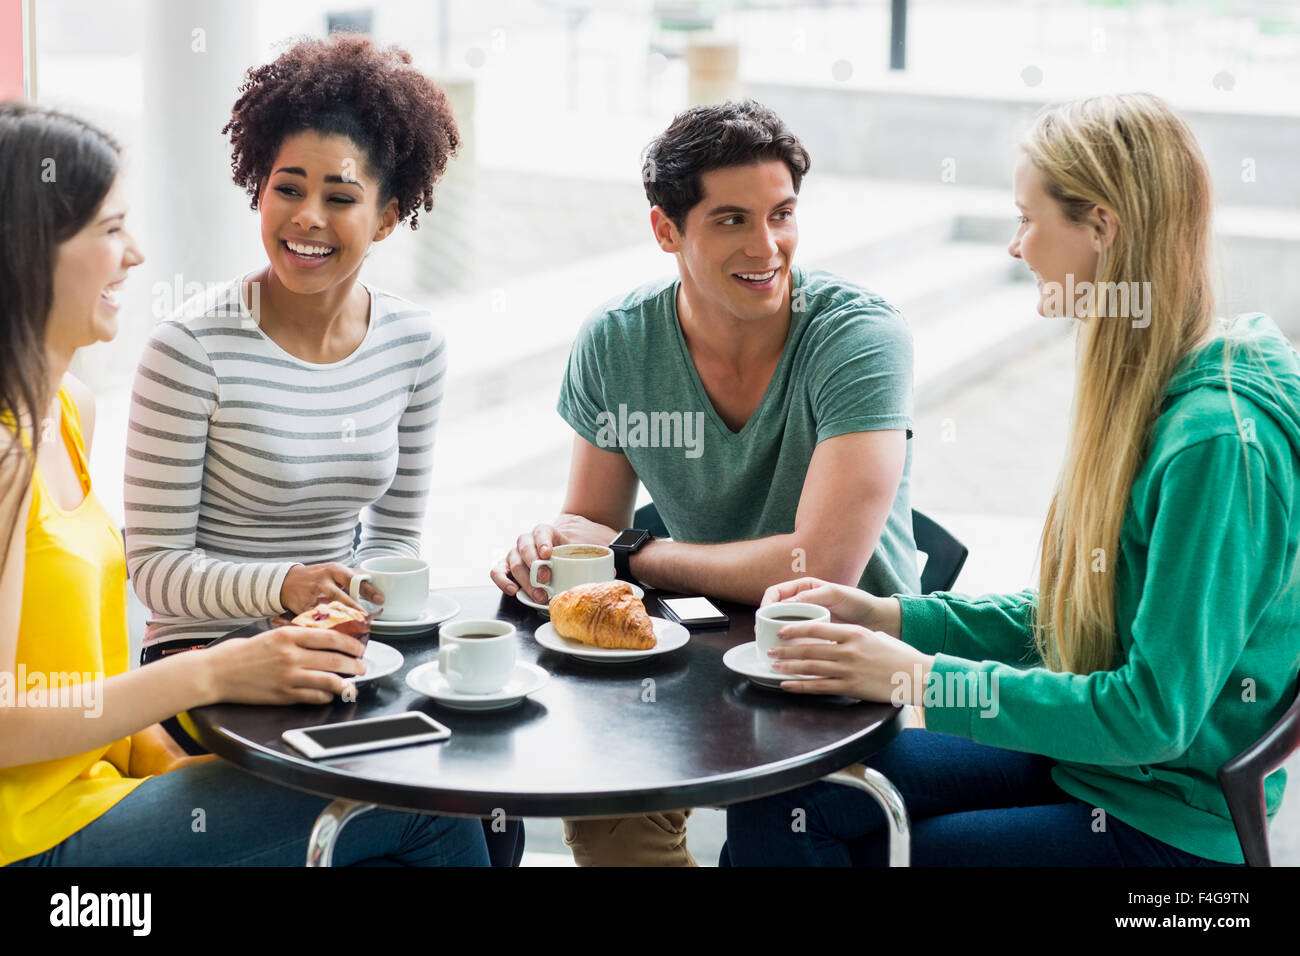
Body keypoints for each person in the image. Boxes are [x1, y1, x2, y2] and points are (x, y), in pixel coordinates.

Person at [723, 91, 1300, 866]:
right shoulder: (1150, 388)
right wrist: (890, 619)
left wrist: (921, 679)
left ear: (1102, 227)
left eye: (1028, 219)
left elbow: (1151, 716)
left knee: (887, 849)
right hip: (1096, 765)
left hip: (1167, 819)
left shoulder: (1217, 448)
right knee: (783, 791)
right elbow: (1077, 618)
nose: (1016, 247)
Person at [0, 101, 488, 867]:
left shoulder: (65, 411)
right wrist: (214, 669)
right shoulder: (7, 455)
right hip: (28, 839)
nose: (136, 255)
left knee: (452, 789)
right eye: (111, 229)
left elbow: (81, 668)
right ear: (28, 248)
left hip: (91, 788)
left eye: (341, 196)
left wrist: (164, 760)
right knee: (423, 803)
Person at [121, 36, 521, 866]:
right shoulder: (190, 350)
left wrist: (353, 602)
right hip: (205, 657)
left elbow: (395, 537)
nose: (306, 217)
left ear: (387, 215)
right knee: (426, 805)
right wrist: (287, 586)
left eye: (339, 196)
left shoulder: (413, 344)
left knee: (493, 807)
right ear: (257, 190)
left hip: (343, 647)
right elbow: (154, 569)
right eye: (287, 188)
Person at [489, 99, 920, 865]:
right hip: (690, 652)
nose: (767, 246)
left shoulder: (857, 337)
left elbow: (821, 567)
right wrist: (551, 557)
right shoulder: (618, 342)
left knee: (782, 821)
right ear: (666, 231)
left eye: (782, 215)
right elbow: (592, 536)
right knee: (607, 813)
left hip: (842, 664)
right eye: (731, 221)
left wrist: (636, 554)